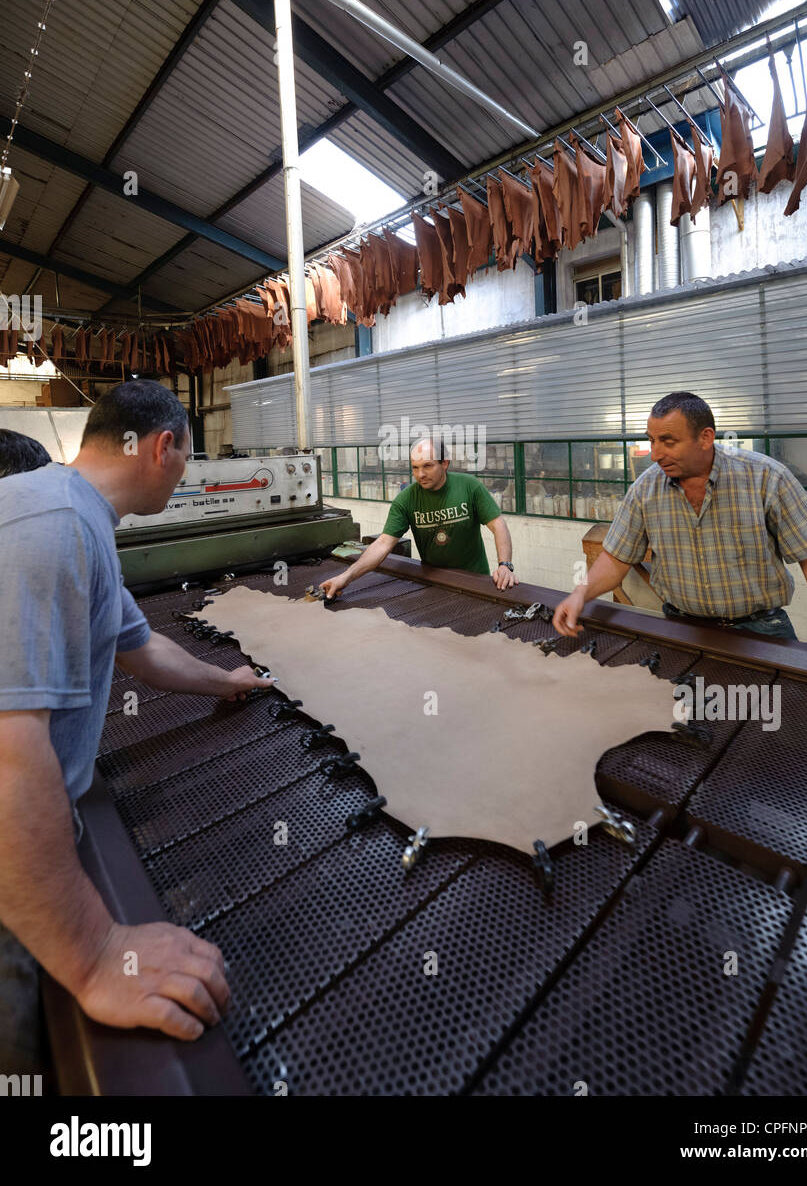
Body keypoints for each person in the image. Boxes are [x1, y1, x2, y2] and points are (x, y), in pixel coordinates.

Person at [0, 381, 273, 1078]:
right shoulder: (53, 522)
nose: (185, 471)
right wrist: (94, 955)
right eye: (188, 455)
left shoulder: (77, 519)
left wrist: (228, 682)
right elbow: (8, 753)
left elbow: (140, 648)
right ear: (162, 447)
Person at [553, 391, 807, 694]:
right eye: (652, 440)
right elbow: (617, 558)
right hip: (680, 628)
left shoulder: (766, 479)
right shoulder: (646, 489)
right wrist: (581, 594)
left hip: (760, 632)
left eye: (668, 441)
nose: (655, 453)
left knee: (771, 724)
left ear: (705, 438)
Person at [321, 437, 518, 597]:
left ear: (445, 463)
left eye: (427, 466)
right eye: (415, 467)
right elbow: (382, 544)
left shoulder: (469, 486)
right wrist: (345, 578)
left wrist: (505, 565)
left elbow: (498, 524)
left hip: (475, 580)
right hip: (434, 581)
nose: (420, 474)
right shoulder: (406, 500)